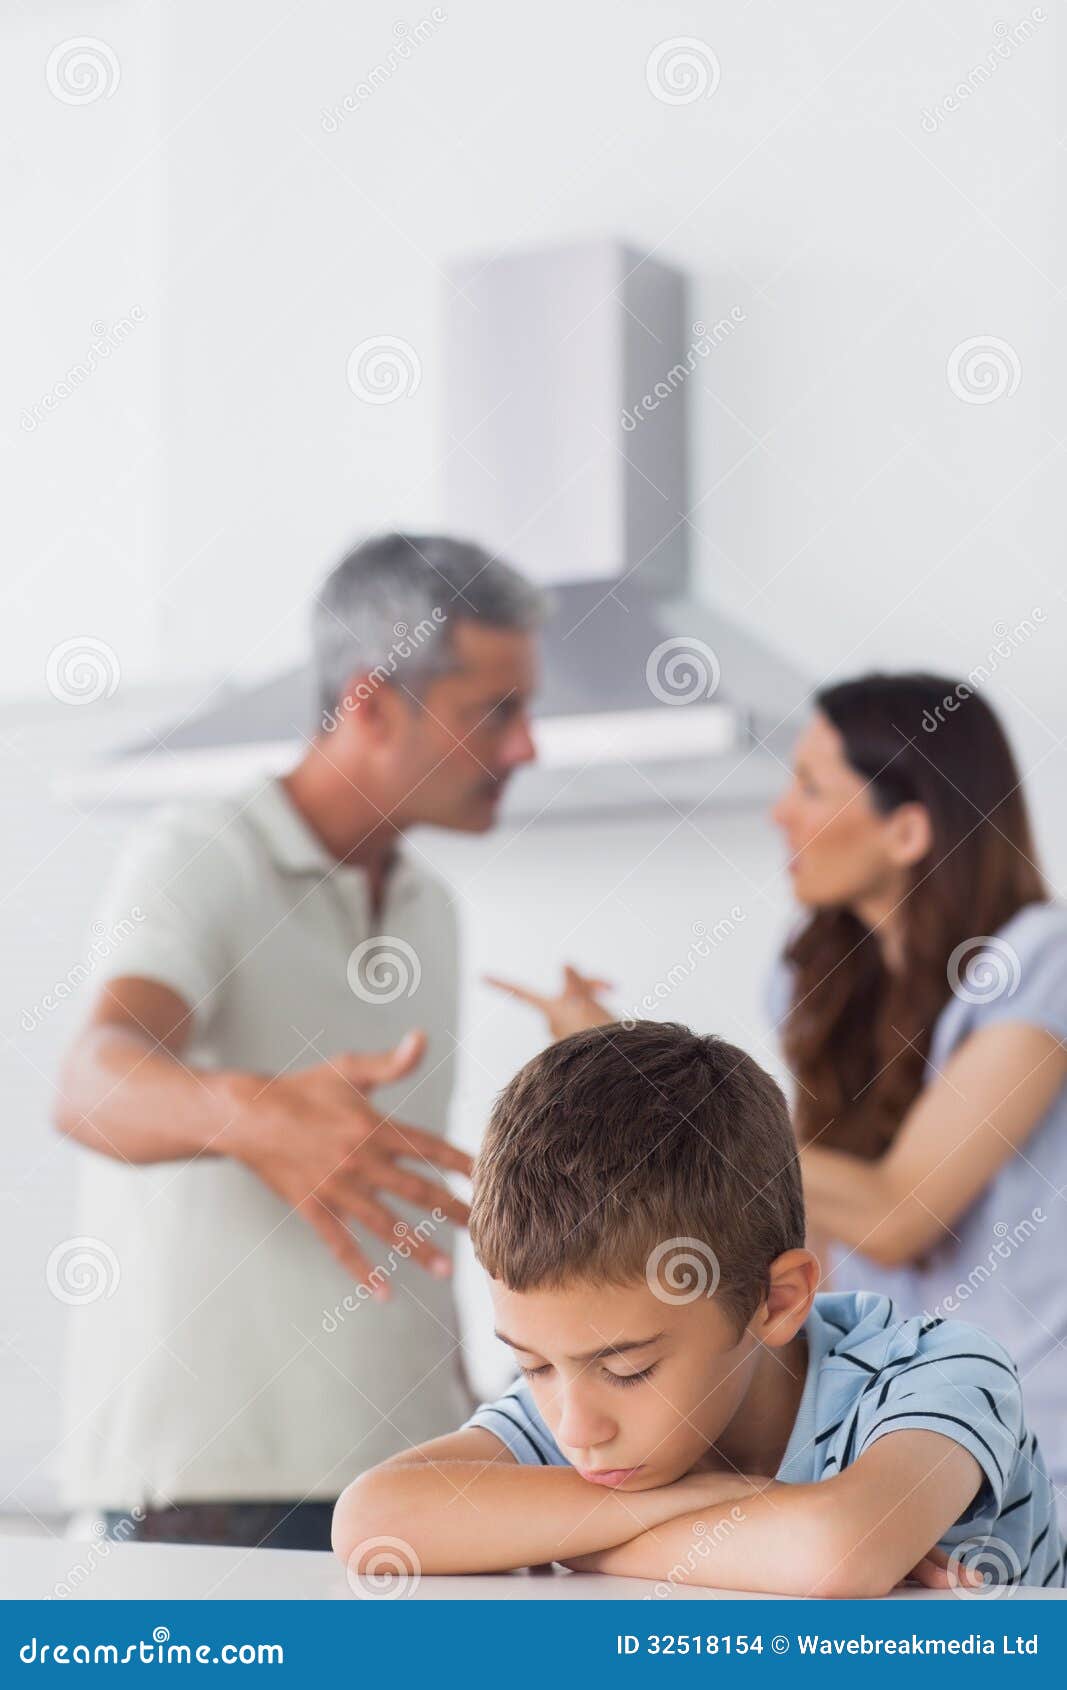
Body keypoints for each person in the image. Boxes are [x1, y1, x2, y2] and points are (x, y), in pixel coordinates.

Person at [54, 532, 543, 1548]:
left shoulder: (429, 907)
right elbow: (90, 1084)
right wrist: (255, 1113)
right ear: (369, 704)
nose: (524, 748)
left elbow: (399, 1202)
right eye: (492, 713)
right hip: (208, 1491)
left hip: (409, 1476)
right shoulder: (199, 856)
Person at [332, 1022, 1064, 1594]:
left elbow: (833, 1552)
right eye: (530, 1365)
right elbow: (373, 1520)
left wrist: (564, 1534)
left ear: (775, 1302)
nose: (575, 1429)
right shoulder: (581, 1402)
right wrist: (727, 1504)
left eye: (626, 1369)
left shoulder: (938, 1371)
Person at [767, 674, 1067, 1515]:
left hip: (1031, 1465)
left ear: (906, 828)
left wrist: (681, 1115)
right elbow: (816, 1237)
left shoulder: (1038, 960)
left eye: (810, 787)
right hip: (891, 1454)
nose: (777, 813)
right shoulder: (821, 989)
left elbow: (901, 1214)